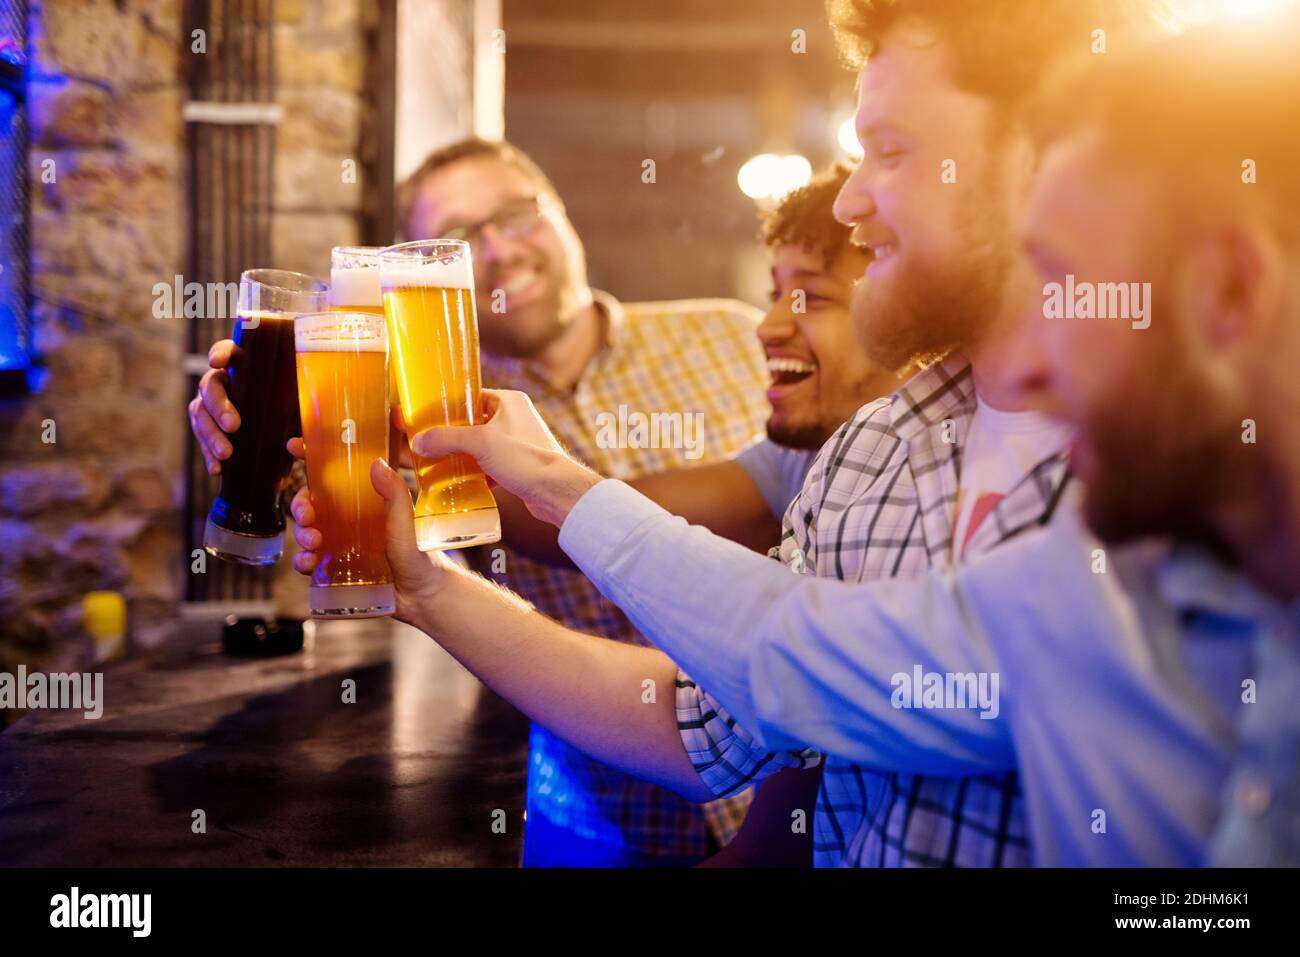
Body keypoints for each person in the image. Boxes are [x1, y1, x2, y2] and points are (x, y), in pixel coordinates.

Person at [360, 14, 1297, 865]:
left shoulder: (1143, 507)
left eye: (888, 150)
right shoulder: (880, 450)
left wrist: (547, 492)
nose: (848, 202)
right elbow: (755, 681)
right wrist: (430, 582)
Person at [189, 148, 898, 864]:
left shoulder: (736, 340)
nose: (498, 248)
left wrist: (524, 474)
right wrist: (284, 430)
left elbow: (626, 527)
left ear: (563, 212)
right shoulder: (423, 390)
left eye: (516, 213)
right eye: (464, 235)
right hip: (603, 814)